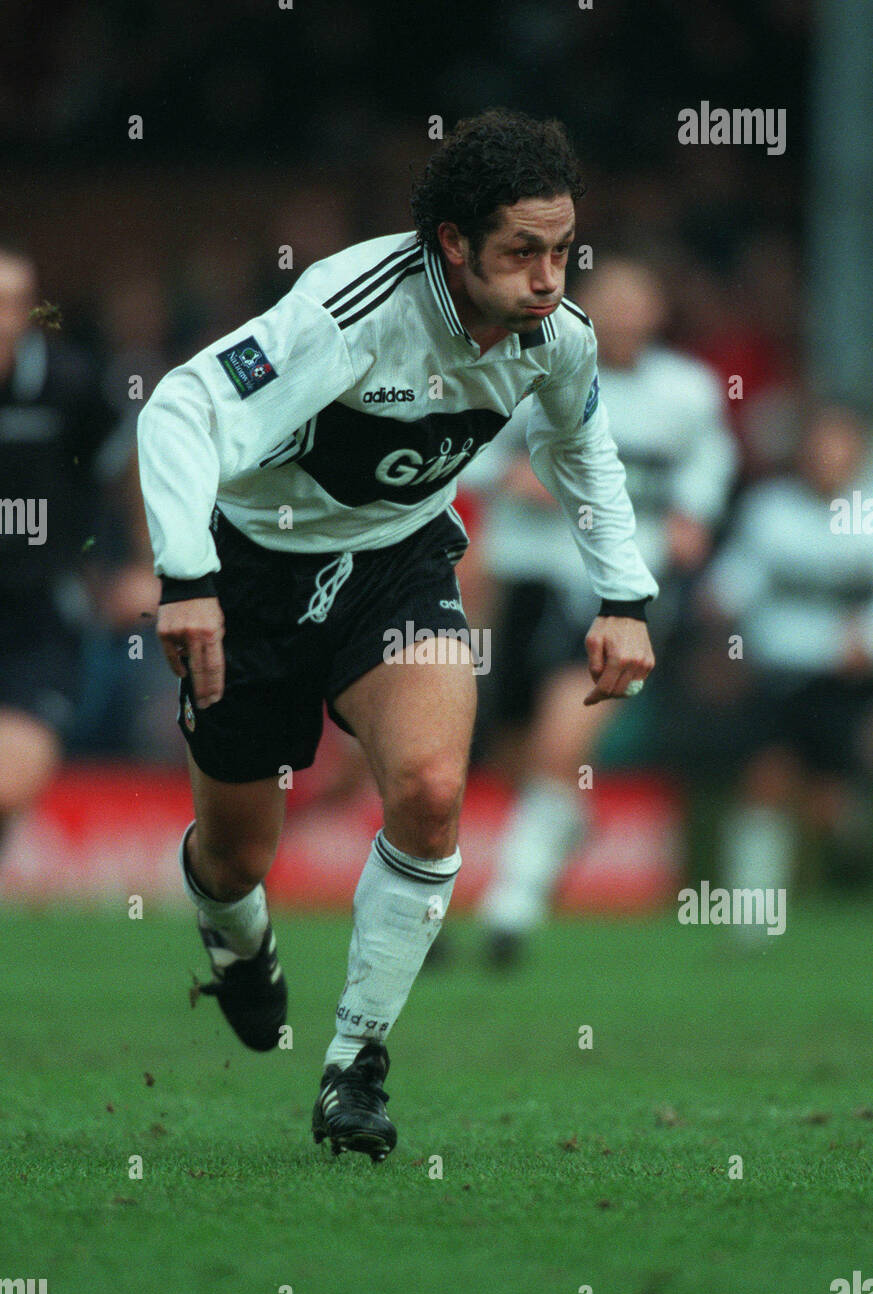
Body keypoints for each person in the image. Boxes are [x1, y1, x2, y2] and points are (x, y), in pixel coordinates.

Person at [136, 109, 657, 1164]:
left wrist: (625, 596)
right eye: (522, 251)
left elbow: (581, 449)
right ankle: (237, 947)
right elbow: (181, 407)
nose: (548, 278)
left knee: (428, 787)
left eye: (562, 250)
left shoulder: (553, 337)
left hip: (400, 564)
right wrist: (186, 578)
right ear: (454, 242)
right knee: (238, 852)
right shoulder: (352, 306)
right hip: (252, 573)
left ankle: (354, 1063)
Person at [462, 257, 737, 962]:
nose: (620, 315)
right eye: (608, 300)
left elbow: (709, 463)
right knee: (513, 750)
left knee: (564, 740)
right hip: (526, 573)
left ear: (656, 312)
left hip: (618, 584)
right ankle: (562, 821)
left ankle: (510, 908)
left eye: (634, 301)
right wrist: (507, 475)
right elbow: (466, 450)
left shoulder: (687, 390)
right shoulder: (532, 369)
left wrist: (692, 515)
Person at [704, 400, 873, 933]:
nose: (825, 455)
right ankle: (751, 921)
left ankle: (852, 862)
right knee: (764, 781)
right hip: (776, 671)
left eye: (838, 443)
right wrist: (718, 608)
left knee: (831, 804)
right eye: (817, 443)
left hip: (845, 678)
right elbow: (737, 578)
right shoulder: (770, 507)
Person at [0, 247, 129, 856]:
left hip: (37, 617)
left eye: (10, 304)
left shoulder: (71, 385)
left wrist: (145, 568)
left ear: (28, 313)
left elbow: (127, 471)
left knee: (9, 781)